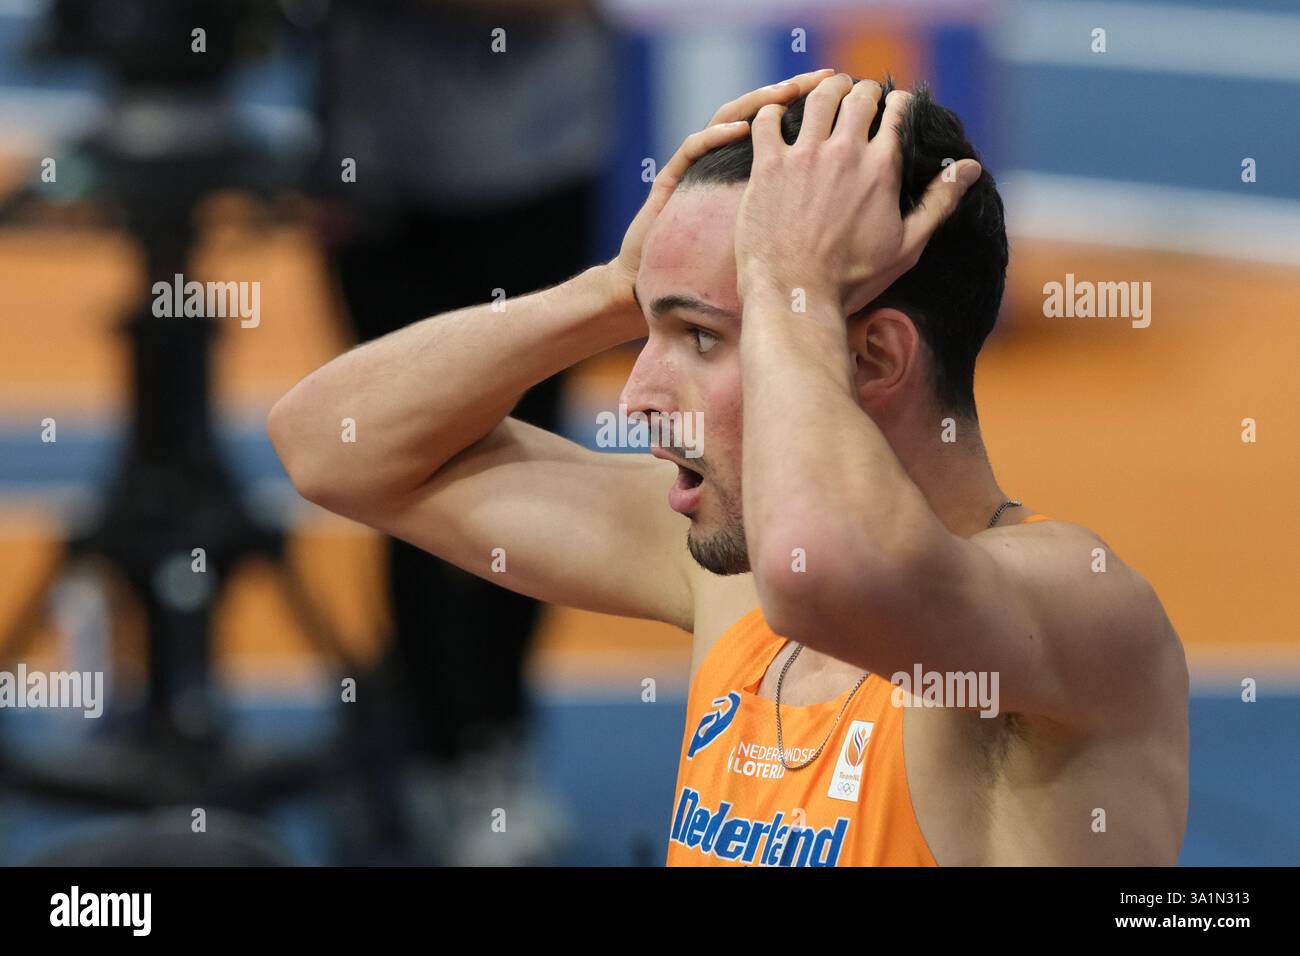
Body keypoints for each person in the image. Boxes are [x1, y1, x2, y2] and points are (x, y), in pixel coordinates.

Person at [270, 70, 1190, 866]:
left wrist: (790, 283)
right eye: (651, 330)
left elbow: (827, 574)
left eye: (701, 336)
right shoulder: (733, 577)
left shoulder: (1082, 608)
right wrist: (610, 289)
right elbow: (329, 446)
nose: (635, 398)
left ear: (871, 360)